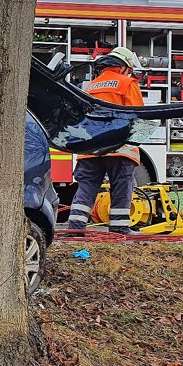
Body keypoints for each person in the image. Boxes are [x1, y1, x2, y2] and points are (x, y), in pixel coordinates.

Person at [67, 47, 145, 235]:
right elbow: (138, 115)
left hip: (91, 147)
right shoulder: (127, 83)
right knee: (121, 185)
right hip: (119, 147)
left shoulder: (90, 86)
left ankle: (75, 229)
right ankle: (119, 228)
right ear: (125, 67)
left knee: (87, 186)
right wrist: (136, 142)